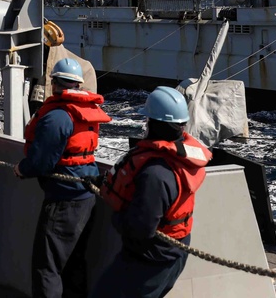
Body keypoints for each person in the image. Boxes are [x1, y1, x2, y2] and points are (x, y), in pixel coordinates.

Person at [90, 87, 211, 298]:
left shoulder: (155, 174)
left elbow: (141, 229)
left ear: (153, 124)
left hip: (150, 259)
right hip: (173, 252)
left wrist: (117, 216)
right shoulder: (179, 163)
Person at [14, 57, 111, 298]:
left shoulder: (57, 116)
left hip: (63, 200)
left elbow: (41, 162)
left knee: (47, 266)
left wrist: (22, 169)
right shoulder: (87, 111)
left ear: (54, 82)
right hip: (86, 195)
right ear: (78, 84)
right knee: (75, 262)